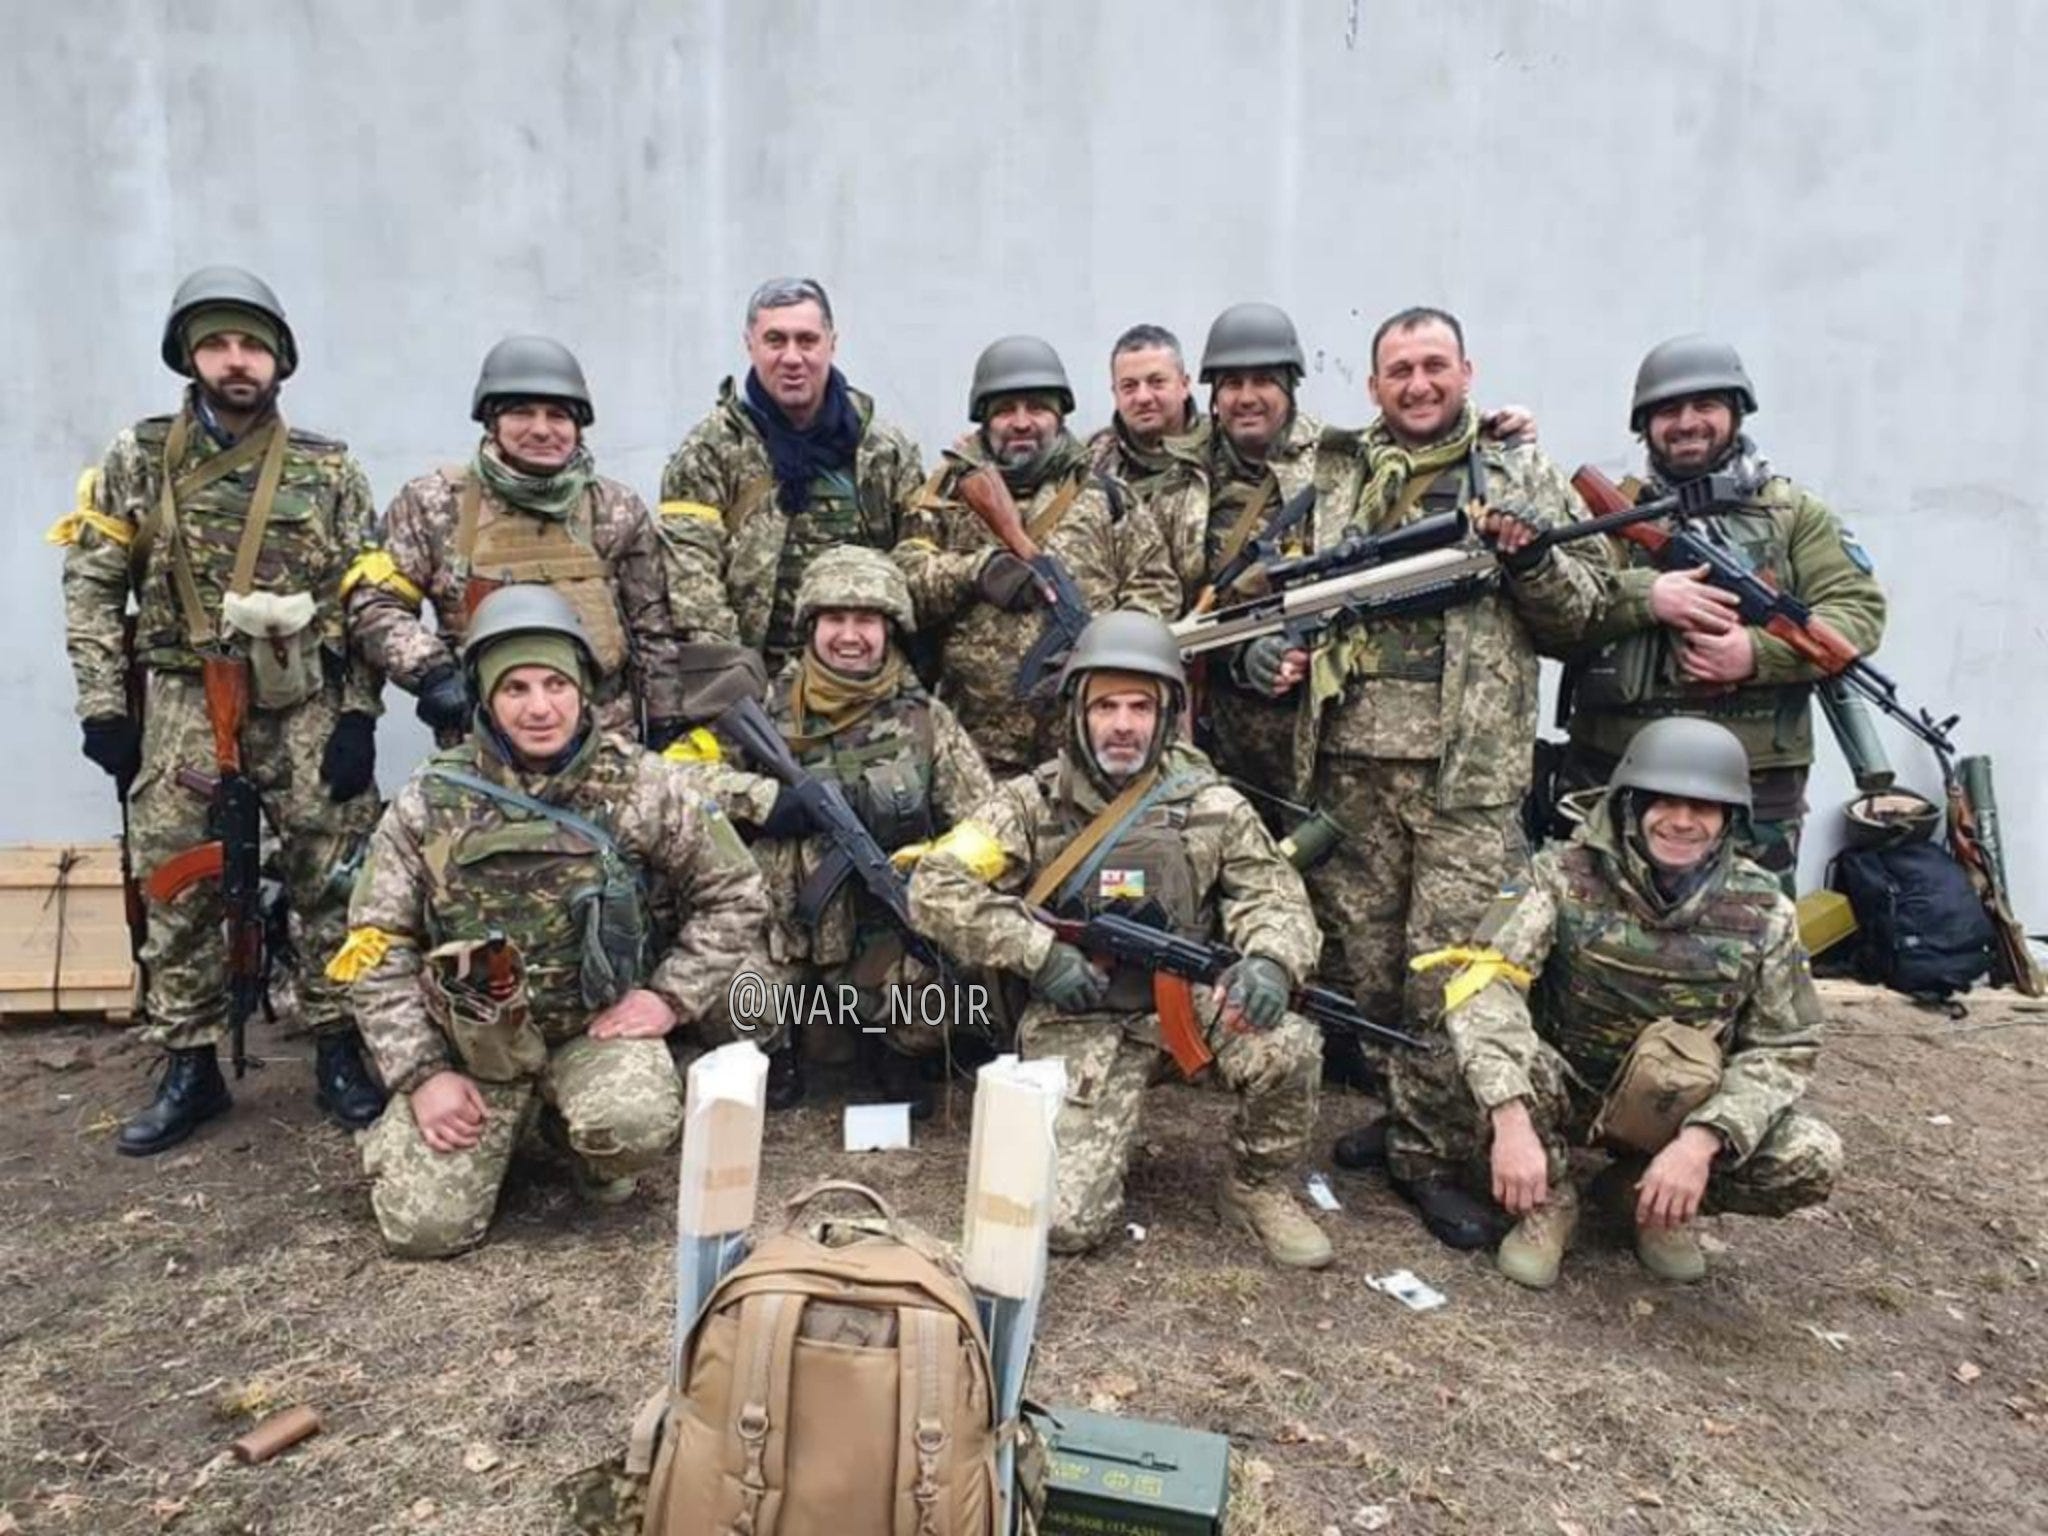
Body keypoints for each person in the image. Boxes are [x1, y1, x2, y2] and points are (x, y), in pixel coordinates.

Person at [1251, 306, 1608, 1248]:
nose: (1418, 384)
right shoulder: (1336, 474)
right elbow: (1291, 596)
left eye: (1434, 365)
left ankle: (1426, 1158)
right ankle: (1412, 1111)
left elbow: (1582, 616)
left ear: (1467, 372)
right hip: (1348, 766)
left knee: (1447, 968)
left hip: (1466, 776)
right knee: (1370, 967)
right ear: (1373, 385)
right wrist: (1274, 657)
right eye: (1399, 369)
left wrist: (1531, 562)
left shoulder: (1520, 473)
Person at [55, 265, 387, 1154]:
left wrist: (360, 714)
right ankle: (190, 1062)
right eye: (217, 345)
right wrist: (103, 709)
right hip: (184, 695)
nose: (236, 361)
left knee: (333, 869)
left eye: (252, 346)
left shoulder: (328, 467)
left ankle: (338, 1045)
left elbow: (367, 594)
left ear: (279, 359)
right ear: (190, 358)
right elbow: (92, 585)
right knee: (178, 878)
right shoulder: (137, 458)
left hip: (304, 695)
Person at [331, 587, 767, 1259]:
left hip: (594, 1030)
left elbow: (735, 891)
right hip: (474, 1050)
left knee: (633, 1124)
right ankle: (490, 1126)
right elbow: (376, 942)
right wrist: (421, 1074)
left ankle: (574, 1135)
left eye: (556, 684)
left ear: (582, 689)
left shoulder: (643, 784)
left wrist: (670, 996)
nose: (539, 708)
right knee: (425, 1231)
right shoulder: (430, 799)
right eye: (516, 688)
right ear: (485, 697)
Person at [909, 612, 1332, 1268]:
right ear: (1079, 713)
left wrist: (1271, 963)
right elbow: (934, 884)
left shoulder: (1212, 805)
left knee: (1291, 1045)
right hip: (1080, 1016)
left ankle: (1256, 1186)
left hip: (1186, 1006)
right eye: (1106, 706)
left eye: (1141, 707)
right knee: (1065, 1225)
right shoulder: (1029, 804)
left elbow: (1274, 895)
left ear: (1166, 717)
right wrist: (1038, 954)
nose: (1124, 724)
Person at [1441, 717, 1842, 1289]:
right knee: (1467, 1060)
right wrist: (1509, 1116)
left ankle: (1646, 1197)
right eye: (1665, 801)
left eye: (1703, 806)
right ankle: (1551, 1200)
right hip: (1566, 1085)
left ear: (1730, 816)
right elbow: (1485, 982)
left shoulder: (1765, 910)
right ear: (1630, 802)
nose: (1682, 821)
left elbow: (1785, 1044)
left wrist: (1703, 1142)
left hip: (1678, 1103)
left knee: (1810, 1155)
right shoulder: (1557, 876)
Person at [1557, 336, 1887, 893]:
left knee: (1749, 931)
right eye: (1668, 410)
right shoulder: (1606, 517)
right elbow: (1552, 615)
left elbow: (1858, 613)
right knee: (1592, 929)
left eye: (1705, 405)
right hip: (1613, 774)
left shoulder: (1794, 514)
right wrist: (1648, 597)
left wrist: (1754, 654)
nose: (1687, 423)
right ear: (1644, 426)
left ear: (1736, 412)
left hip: (1754, 792)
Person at [715, 546, 995, 1113]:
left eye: (865, 620)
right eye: (835, 619)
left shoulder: (926, 720)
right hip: (780, 926)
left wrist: (929, 864)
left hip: (877, 929)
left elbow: (988, 823)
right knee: (729, 1003)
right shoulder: (761, 707)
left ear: (890, 629)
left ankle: (890, 1049)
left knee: (954, 998)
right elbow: (677, 779)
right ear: (810, 626)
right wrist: (765, 800)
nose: (849, 636)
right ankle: (778, 1051)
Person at [347, 335, 689, 746]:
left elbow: (652, 627)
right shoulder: (434, 503)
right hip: (487, 744)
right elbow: (375, 603)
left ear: (578, 428)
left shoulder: (615, 508)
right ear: (492, 422)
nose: (541, 430)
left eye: (558, 416)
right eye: (522, 413)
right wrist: (432, 672)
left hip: (608, 741)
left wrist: (665, 724)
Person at [893, 335, 1178, 778]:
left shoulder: (1107, 498)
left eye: (1038, 409)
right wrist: (975, 570)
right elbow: (901, 586)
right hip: (973, 751)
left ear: (1060, 416)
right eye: (1006, 410)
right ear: (984, 419)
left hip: (1087, 750)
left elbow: (1156, 589)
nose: (1022, 423)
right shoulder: (942, 499)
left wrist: (1105, 648)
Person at [658, 277, 927, 669]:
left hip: (865, 673)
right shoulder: (709, 451)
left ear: (831, 343)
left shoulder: (884, 450)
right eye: (775, 340)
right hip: (753, 676)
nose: (792, 357)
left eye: (806, 340)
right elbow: (690, 576)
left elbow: (913, 565)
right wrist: (735, 674)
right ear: (750, 344)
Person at [1085, 323, 1199, 501]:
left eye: (1157, 382)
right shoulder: (1090, 460)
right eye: (1129, 386)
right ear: (1115, 394)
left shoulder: (1220, 452)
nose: (1143, 397)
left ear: (1184, 386)